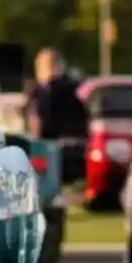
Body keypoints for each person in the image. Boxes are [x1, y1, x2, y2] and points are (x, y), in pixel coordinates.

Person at [27, 48, 88, 181]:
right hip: (77, 150)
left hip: (49, 150)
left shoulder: (42, 93)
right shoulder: (76, 88)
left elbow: (39, 124)